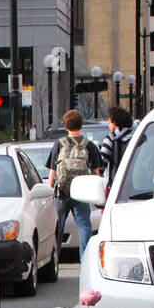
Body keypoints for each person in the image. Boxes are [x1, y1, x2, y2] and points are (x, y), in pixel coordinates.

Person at [46, 109, 103, 256]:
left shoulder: (59, 144)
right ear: (81, 124)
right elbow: (96, 172)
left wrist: (49, 190)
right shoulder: (89, 145)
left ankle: (55, 258)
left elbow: (53, 171)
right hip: (82, 193)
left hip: (62, 192)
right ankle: (84, 257)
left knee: (58, 225)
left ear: (66, 126)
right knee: (84, 224)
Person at [98, 106, 134, 191]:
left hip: (115, 186)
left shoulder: (111, 138)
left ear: (115, 123)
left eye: (110, 122)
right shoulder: (137, 136)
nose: (109, 125)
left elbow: (102, 163)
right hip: (136, 185)